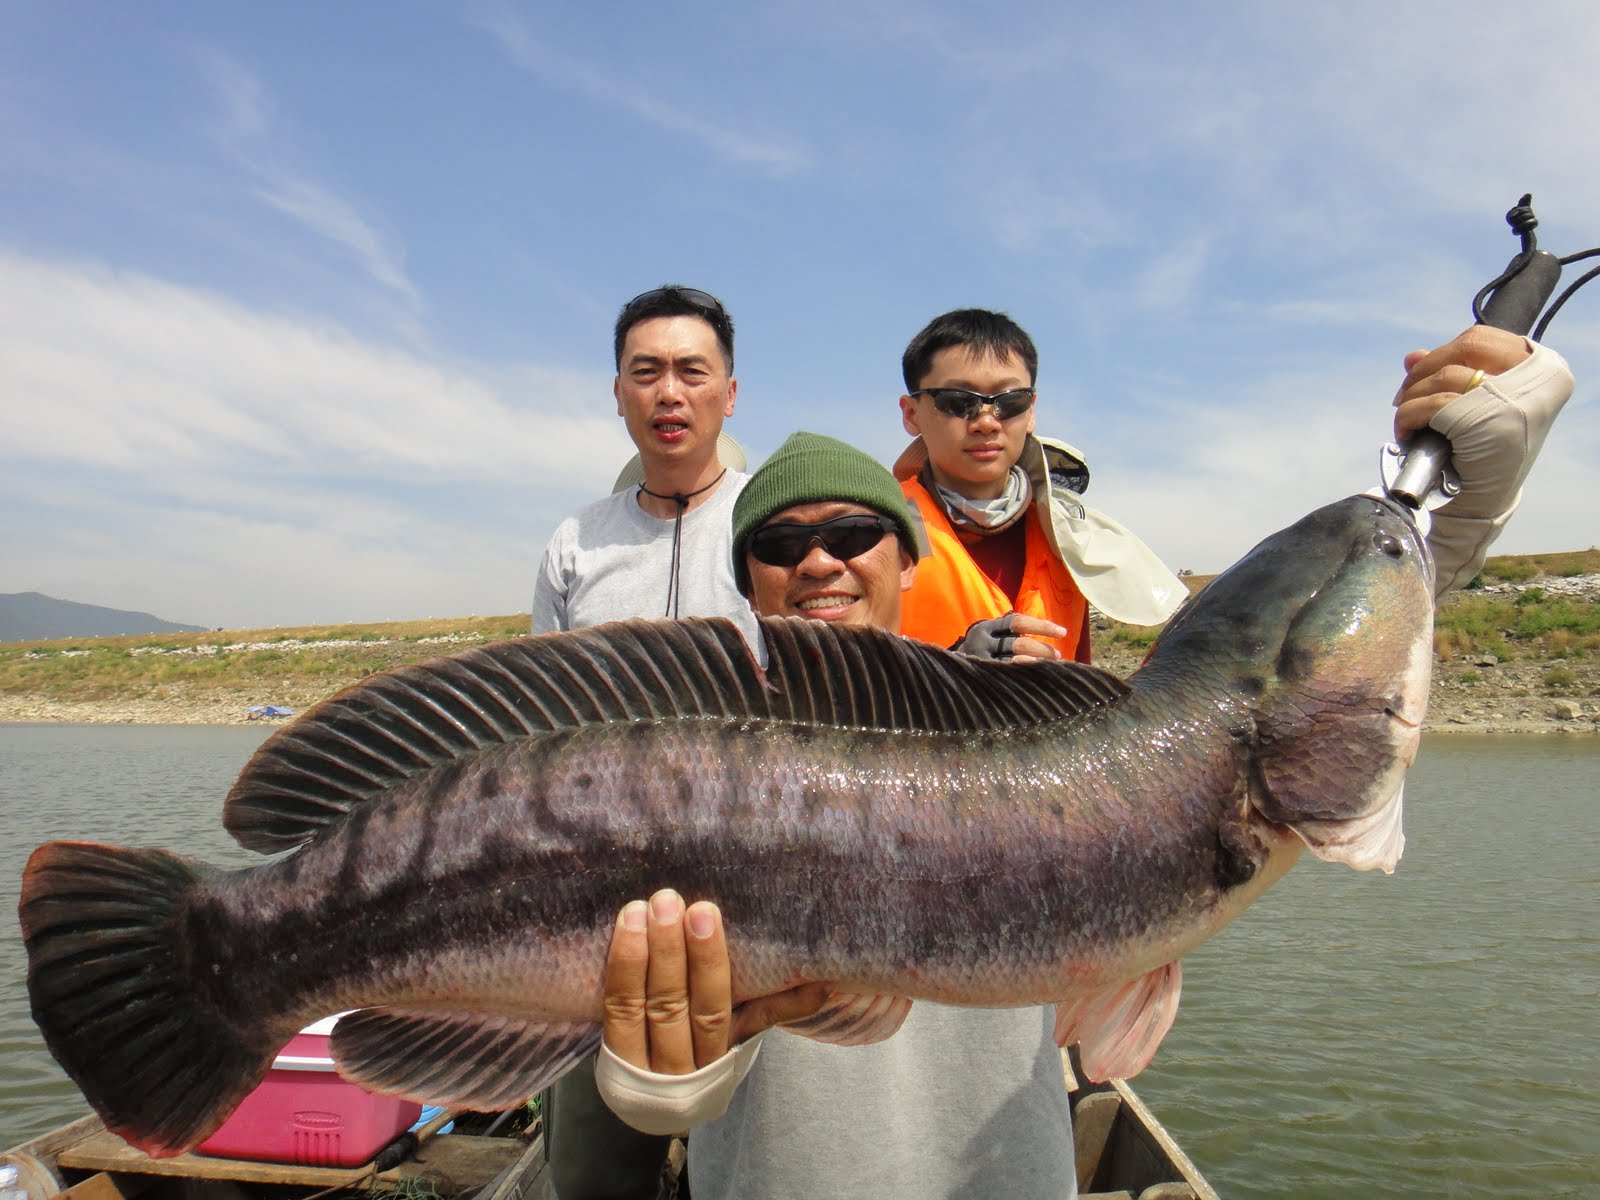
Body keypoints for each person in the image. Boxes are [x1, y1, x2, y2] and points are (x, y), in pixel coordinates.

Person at [585, 330, 1575, 1200]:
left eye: (852, 534)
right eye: (781, 543)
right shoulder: (678, 768)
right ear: (744, 569)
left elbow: (1327, 635)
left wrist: (1471, 482)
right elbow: (624, 1064)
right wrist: (662, 1079)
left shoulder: (1030, 718)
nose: (819, 564)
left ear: (904, 553)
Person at [529, 284, 753, 1200]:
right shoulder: (576, 543)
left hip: (754, 903)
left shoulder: (773, 526)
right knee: (589, 1172)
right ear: (616, 392)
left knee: (746, 1164)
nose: (669, 393)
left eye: (691, 372)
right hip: (594, 908)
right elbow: (533, 726)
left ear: (728, 395)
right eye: (646, 372)